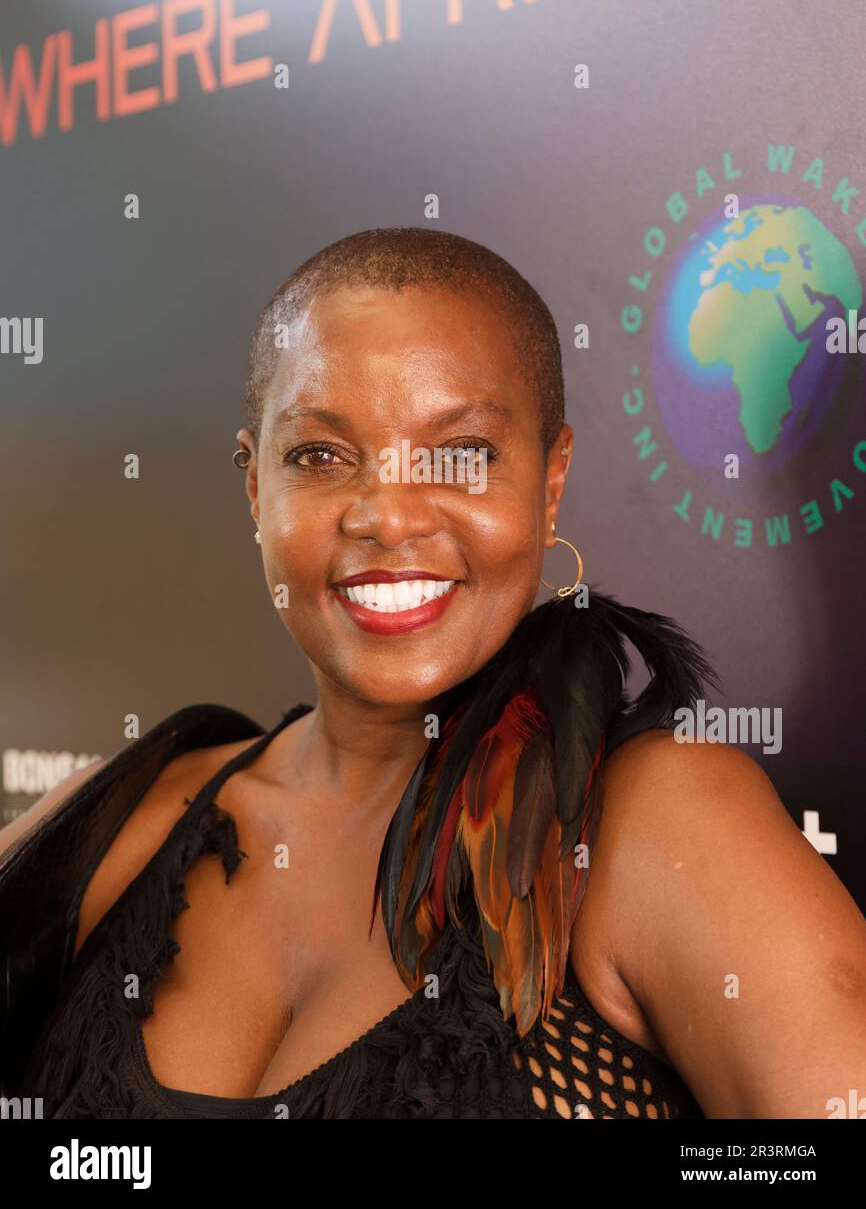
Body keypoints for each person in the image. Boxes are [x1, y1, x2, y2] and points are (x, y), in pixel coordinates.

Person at [2, 227, 865, 1120]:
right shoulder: (124, 822)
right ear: (257, 490)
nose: (387, 517)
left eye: (460, 453)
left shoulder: (665, 825)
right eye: (320, 456)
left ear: (551, 482)